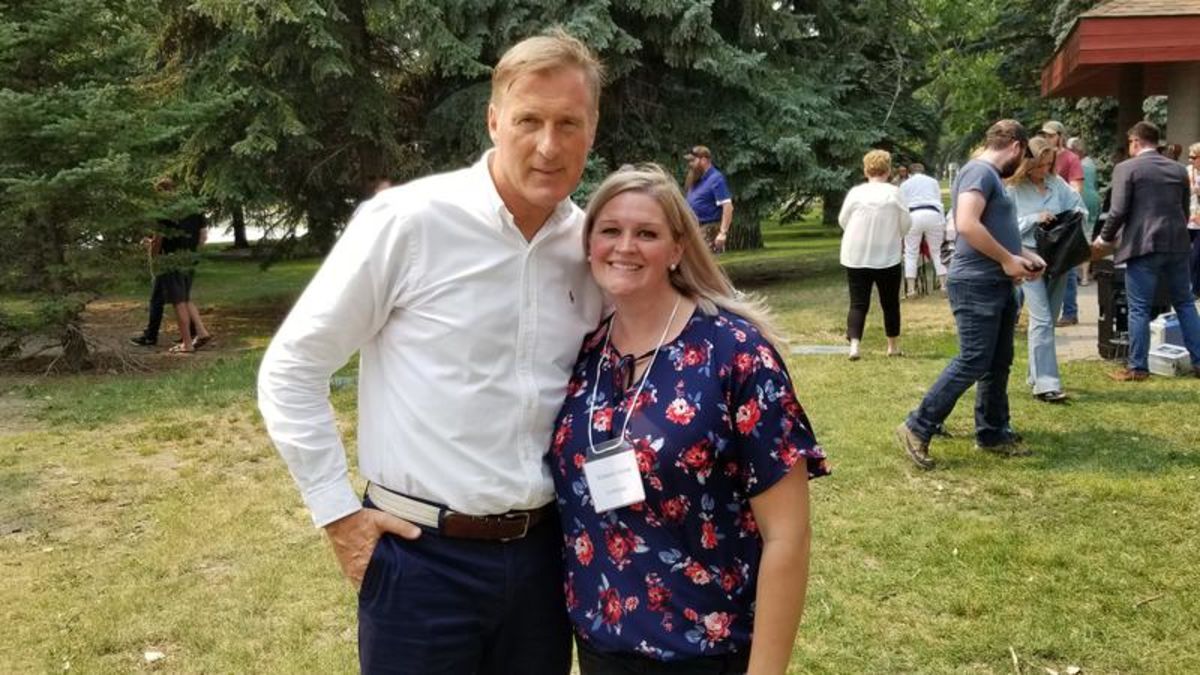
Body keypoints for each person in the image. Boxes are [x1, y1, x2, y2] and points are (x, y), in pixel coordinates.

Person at [257, 31, 606, 674]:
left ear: (592, 131)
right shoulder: (408, 222)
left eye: (569, 123)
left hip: (544, 562)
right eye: (529, 119)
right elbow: (291, 369)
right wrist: (339, 518)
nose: (548, 145)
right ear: (494, 120)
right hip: (420, 562)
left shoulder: (592, 247)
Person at [549, 165, 829, 674]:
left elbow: (788, 535)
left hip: (706, 651)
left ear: (678, 248)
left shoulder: (736, 355)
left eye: (647, 233)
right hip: (600, 646)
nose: (625, 246)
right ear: (589, 244)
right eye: (610, 230)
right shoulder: (586, 352)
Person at [895, 120, 1046, 469]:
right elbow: (966, 224)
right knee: (974, 359)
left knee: (997, 361)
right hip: (978, 283)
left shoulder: (988, 176)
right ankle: (917, 426)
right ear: (1017, 147)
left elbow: (987, 228)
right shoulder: (980, 172)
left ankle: (992, 432)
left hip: (996, 281)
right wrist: (1009, 260)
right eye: (1024, 158)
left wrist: (1021, 255)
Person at [1093, 121, 1200, 381]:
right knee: (1185, 303)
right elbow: (1184, 209)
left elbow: (1117, 210)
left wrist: (1103, 239)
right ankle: (1199, 361)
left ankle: (1138, 367)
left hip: (1143, 245)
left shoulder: (1126, 168)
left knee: (1138, 307)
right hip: (1177, 242)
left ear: (1136, 142)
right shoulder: (1177, 169)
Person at [1007, 137, 1087, 403]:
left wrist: (1070, 217)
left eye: (1049, 165)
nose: (1044, 171)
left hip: (1059, 258)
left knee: (1049, 321)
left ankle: (1035, 373)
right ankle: (1046, 384)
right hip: (1029, 258)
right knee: (1041, 319)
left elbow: (1080, 208)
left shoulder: (1058, 184)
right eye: (1039, 166)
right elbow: (1004, 228)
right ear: (1027, 164)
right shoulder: (1013, 189)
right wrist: (1034, 219)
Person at [838, 150, 911, 360]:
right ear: (888, 171)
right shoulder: (894, 193)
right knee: (890, 302)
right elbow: (906, 223)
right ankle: (892, 346)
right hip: (887, 254)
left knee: (858, 302)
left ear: (865, 170)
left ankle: (854, 345)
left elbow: (843, 220)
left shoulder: (856, 193)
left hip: (856, 254)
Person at [129, 178, 212, 353]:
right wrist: (190, 248)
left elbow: (158, 242)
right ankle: (202, 332)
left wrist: (150, 248)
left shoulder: (164, 213)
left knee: (179, 302)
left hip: (171, 261)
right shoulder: (195, 209)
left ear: (160, 193)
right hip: (190, 259)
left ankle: (187, 344)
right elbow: (203, 237)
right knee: (186, 299)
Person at [900, 162, 948, 296]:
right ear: (923, 171)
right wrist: (942, 223)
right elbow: (939, 201)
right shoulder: (933, 182)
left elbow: (903, 205)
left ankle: (911, 289)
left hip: (913, 215)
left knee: (910, 252)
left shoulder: (905, 184)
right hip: (933, 213)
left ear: (909, 173)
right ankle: (944, 285)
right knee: (937, 251)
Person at [683, 146, 734, 253]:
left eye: (693, 160)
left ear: (704, 160)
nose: (690, 164)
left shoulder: (716, 179)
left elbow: (727, 206)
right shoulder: (697, 179)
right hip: (695, 229)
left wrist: (723, 233)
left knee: (705, 266)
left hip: (709, 230)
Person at [1187, 142, 1200, 297]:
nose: (1190, 160)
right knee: (1185, 255)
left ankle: (1195, 289)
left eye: (1193, 157)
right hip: (1188, 218)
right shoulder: (1187, 171)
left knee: (1196, 256)